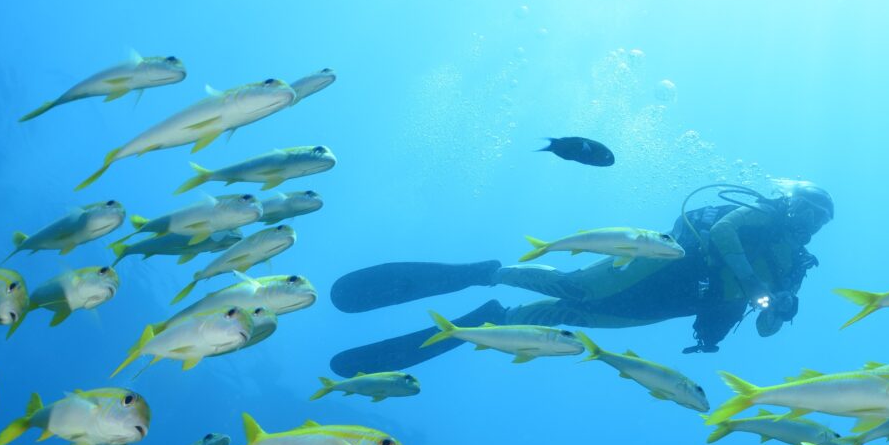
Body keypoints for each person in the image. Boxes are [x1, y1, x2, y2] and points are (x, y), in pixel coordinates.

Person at [327, 180, 833, 377]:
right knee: (576, 288)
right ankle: (491, 274)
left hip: (667, 306)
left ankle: (496, 319)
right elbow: (722, 230)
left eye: (819, 218)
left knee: (570, 318)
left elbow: (765, 328)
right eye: (807, 208)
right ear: (791, 201)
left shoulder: (795, 266)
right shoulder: (762, 217)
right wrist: (752, 282)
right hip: (662, 265)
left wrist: (782, 308)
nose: (809, 221)